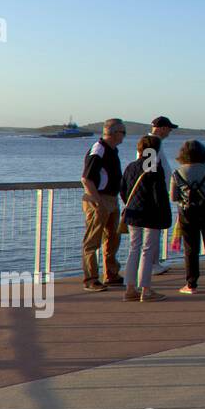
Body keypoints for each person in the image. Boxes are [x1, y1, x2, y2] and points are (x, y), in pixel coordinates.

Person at [169, 139, 205, 294]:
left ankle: (191, 284)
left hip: (187, 214)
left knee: (191, 249)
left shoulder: (177, 173)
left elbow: (173, 196)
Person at [119, 136, 169, 302]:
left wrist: (132, 203)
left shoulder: (131, 166)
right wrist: (163, 215)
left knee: (134, 248)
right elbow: (159, 195)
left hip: (133, 212)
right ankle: (146, 290)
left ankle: (130, 289)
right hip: (151, 215)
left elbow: (123, 190)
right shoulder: (154, 168)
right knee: (147, 250)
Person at [80, 118, 126, 291]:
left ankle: (111, 273)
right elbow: (86, 178)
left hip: (111, 198)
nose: (124, 136)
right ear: (114, 133)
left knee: (113, 237)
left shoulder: (112, 150)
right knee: (93, 240)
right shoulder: (99, 149)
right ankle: (91, 278)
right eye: (122, 132)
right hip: (99, 198)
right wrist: (97, 201)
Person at [147, 116, 180, 276]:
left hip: (158, 193)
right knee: (152, 231)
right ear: (161, 128)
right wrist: (154, 193)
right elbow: (147, 171)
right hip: (154, 195)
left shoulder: (155, 143)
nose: (170, 132)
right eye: (168, 128)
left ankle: (155, 262)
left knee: (156, 231)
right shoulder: (150, 144)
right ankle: (152, 264)